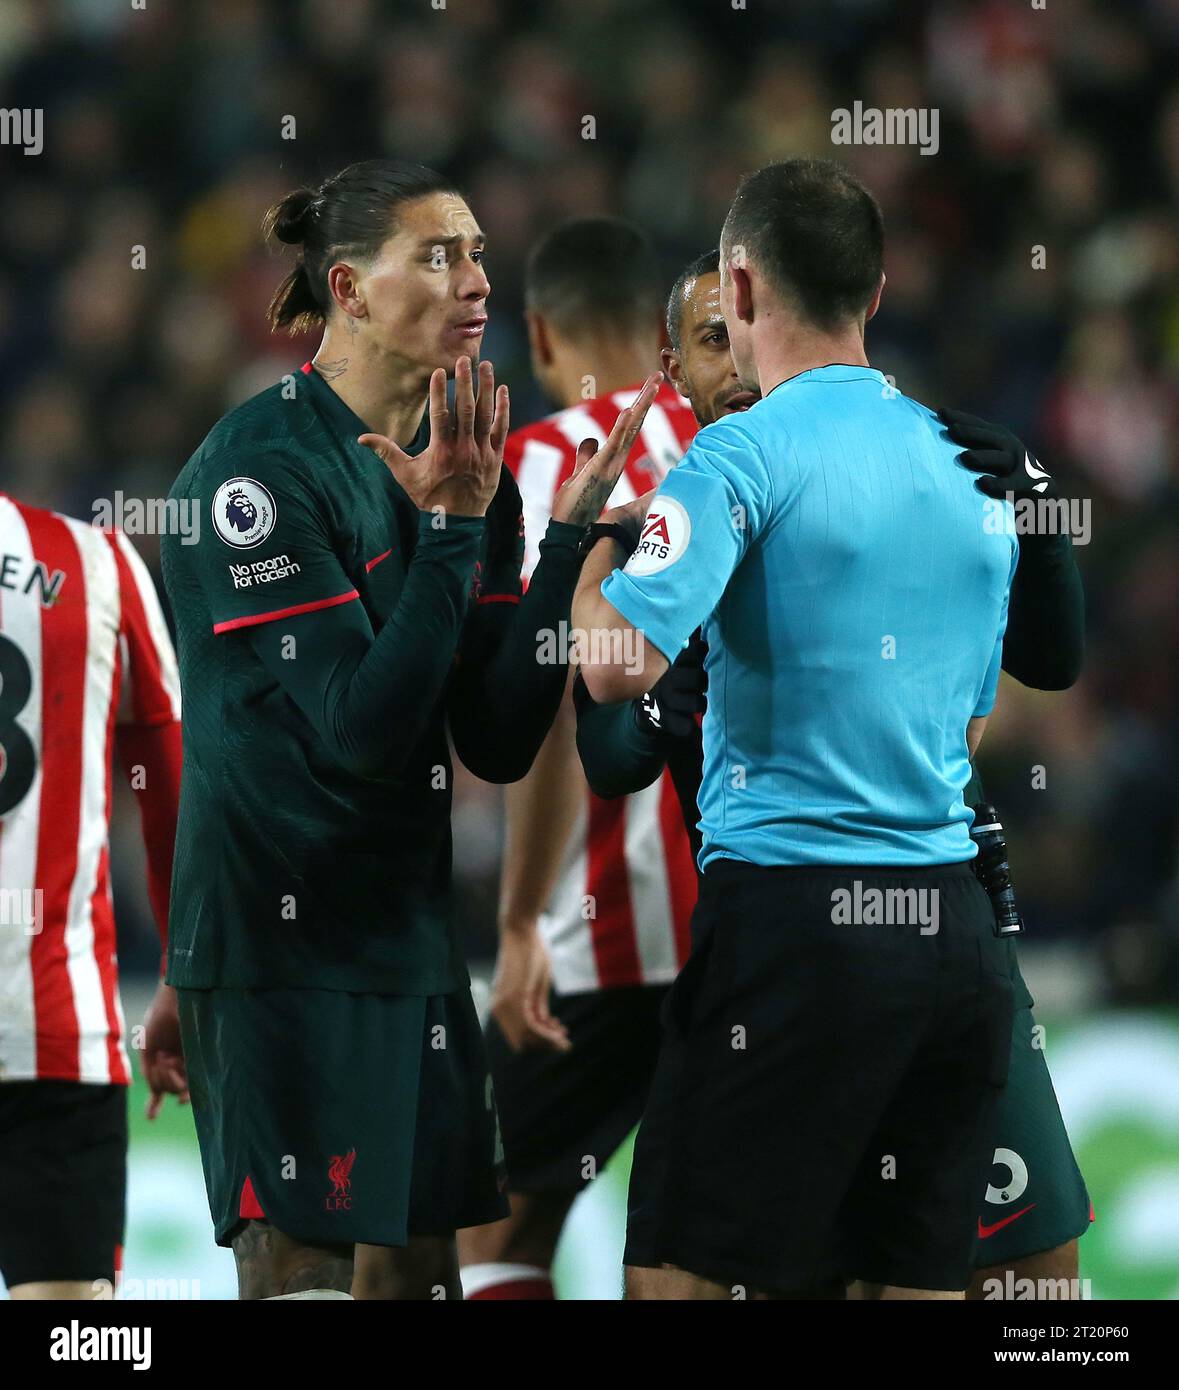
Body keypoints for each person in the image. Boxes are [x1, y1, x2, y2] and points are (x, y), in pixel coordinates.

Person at [161, 159, 658, 1300]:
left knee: (427, 1276)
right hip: (277, 945)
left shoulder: (468, 460)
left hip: (408, 936)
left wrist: (566, 549)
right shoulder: (256, 475)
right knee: (306, 1279)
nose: (476, 281)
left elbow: (493, 738)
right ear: (348, 289)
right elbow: (361, 729)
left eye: (478, 254)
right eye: (438, 257)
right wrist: (449, 531)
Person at [576, 252, 1094, 1300]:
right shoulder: (672, 530)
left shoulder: (904, 473)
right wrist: (668, 691)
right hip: (791, 937)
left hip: (941, 908)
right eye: (710, 341)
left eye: (743, 329)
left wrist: (1038, 518)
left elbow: (1036, 670)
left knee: (1035, 1269)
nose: (738, 361)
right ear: (674, 369)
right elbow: (611, 754)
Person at [457, 218, 703, 1302]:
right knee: (714, 1247)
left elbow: (550, 709)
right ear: (663, 330)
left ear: (542, 333)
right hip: (756, 910)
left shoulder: (535, 468)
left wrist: (518, 923)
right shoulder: (737, 442)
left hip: (600, 932)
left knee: (490, 1230)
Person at [0, 493, 185, 1299]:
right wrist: (184, 975)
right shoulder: (98, 561)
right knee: (73, 1341)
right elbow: (173, 791)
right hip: (55, 1031)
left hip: (58, 1036)